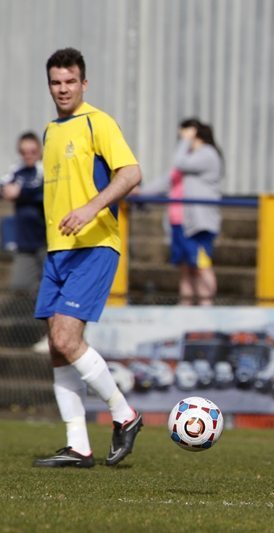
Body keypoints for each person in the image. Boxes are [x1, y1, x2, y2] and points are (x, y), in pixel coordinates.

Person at [33, 48, 143, 468]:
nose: (63, 89)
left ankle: (124, 414)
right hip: (58, 251)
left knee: (66, 339)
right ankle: (78, 445)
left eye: (70, 81)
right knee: (57, 349)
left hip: (94, 246)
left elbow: (131, 173)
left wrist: (91, 208)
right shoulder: (50, 131)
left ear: (84, 83)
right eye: (56, 82)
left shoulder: (99, 122)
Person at [137, 118, 223, 304]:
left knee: (201, 266)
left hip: (198, 224)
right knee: (185, 268)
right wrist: (140, 193)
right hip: (179, 222)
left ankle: (207, 306)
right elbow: (166, 181)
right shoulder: (189, 157)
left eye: (184, 134)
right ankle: (186, 306)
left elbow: (179, 162)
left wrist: (186, 139)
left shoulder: (207, 155)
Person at [0, 132, 46, 296]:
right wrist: (7, 192)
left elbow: (41, 192)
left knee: (49, 283)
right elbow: (4, 187)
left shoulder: (43, 170)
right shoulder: (17, 171)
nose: (28, 156)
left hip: (46, 241)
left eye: (32, 151)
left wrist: (21, 193)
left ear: (39, 151)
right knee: (20, 284)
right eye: (24, 152)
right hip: (25, 242)